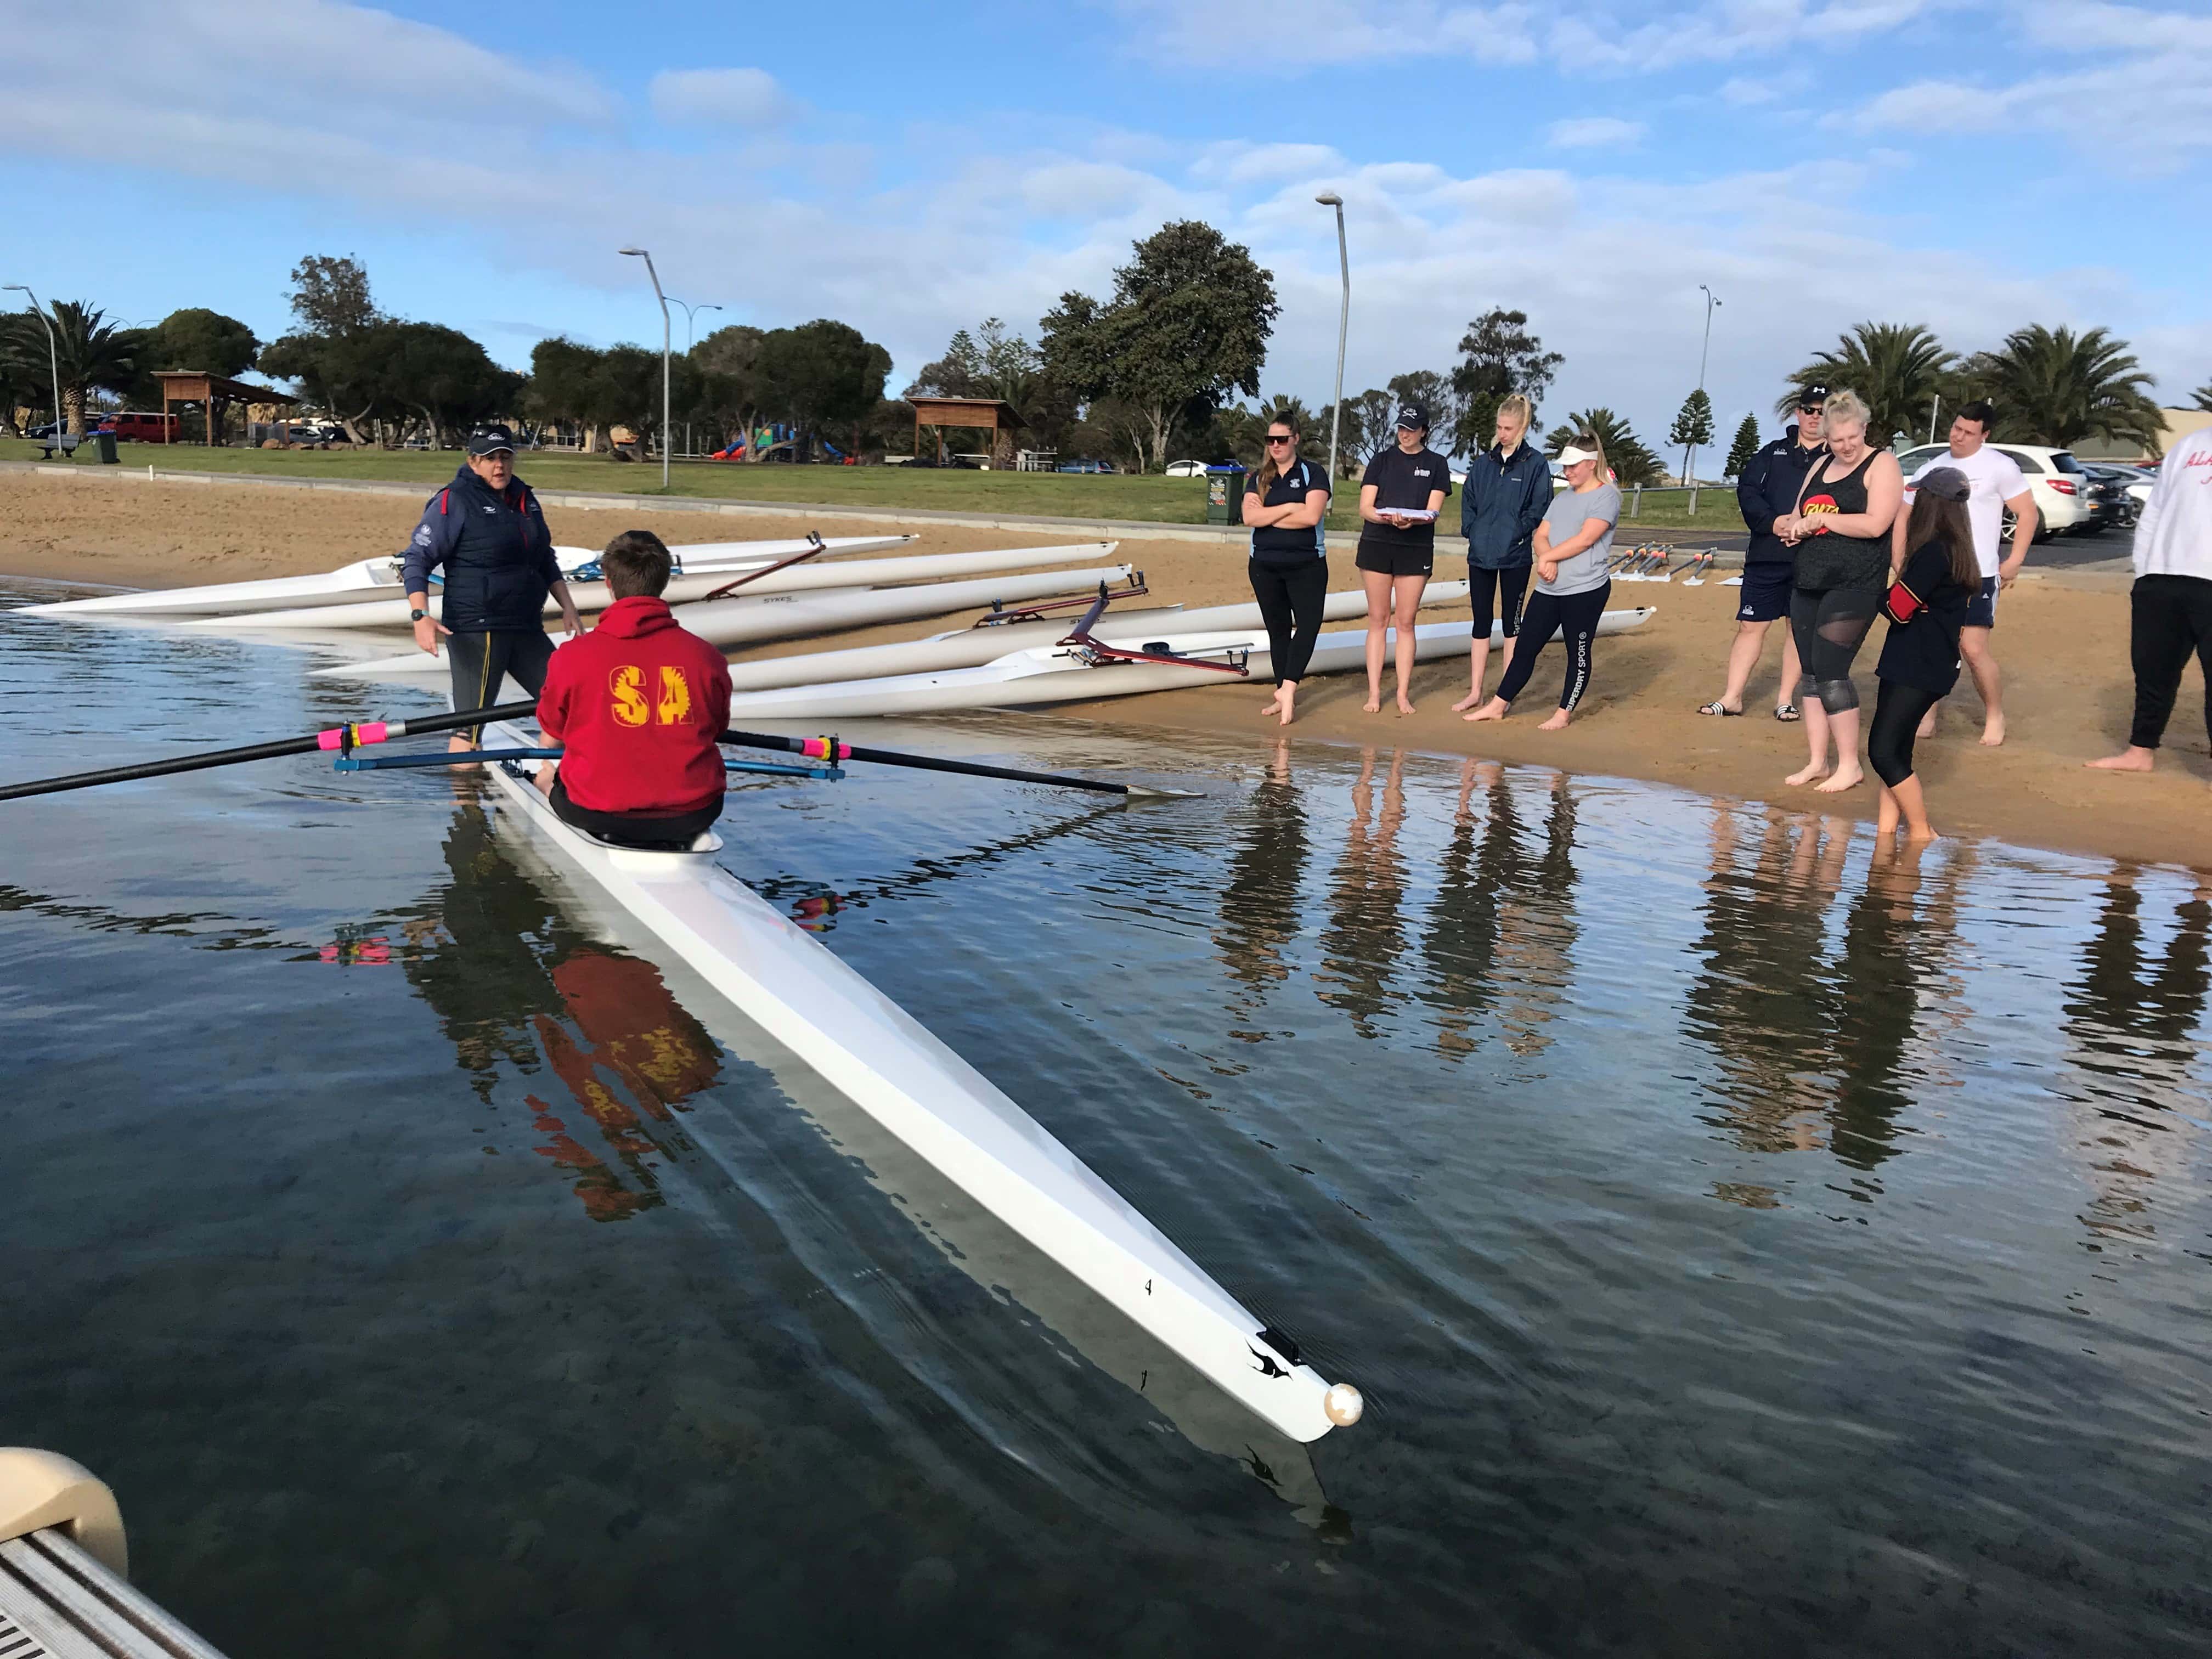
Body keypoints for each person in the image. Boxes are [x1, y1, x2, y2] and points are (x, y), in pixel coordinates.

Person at [532, 531, 733, 850]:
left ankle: (545, 786)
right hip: (693, 813)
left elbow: (552, 734)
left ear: (608, 583)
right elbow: (716, 728)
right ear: (663, 582)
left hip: (597, 812)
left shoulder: (570, 657)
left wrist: (551, 769)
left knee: (546, 772)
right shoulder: (708, 657)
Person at [402, 425, 584, 750]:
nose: (499, 466)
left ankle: (549, 772)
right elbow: (417, 560)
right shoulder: (455, 500)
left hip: (525, 626)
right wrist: (420, 616)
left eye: (505, 457)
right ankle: (464, 781)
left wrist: (568, 607)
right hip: (477, 628)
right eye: (489, 459)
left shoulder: (525, 499)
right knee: (469, 730)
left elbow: (544, 557)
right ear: (473, 462)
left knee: (569, 708)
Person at [1771, 389, 1903, 793]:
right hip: (1809, 578)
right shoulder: (1820, 465)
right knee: (1810, 673)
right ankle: (1818, 761)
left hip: (1856, 581)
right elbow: (1800, 513)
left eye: (1853, 437)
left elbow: (1877, 524)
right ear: (1825, 437)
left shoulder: (1883, 464)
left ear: (1864, 429)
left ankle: (1850, 764)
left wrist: (1822, 522)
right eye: (1837, 439)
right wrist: (1791, 528)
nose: (1846, 446)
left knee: (1831, 669)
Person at [1894, 401, 2036, 746]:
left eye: (1968, 432)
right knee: (1931, 645)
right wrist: (1900, 564)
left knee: (1972, 648)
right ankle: (1927, 716)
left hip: (1978, 573)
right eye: (1956, 428)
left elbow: (2027, 513)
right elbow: (1903, 516)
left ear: (1984, 435)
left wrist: (2015, 559)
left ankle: (1995, 714)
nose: (1958, 436)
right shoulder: (1932, 468)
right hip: (1933, 574)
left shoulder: (2000, 466)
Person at [1463, 432, 1620, 730]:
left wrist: (1548, 559)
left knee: (1578, 652)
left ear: (1592, 463)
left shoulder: (1607, 496)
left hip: (1585, 589)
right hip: (1549, 588)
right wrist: (1546, 558)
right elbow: (1541, 534)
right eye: (1566, 466)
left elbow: (1586, 539)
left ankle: (1563, 713)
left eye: (1573, 466)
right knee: (1525, 648)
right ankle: (1498, 705)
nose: (1567, 471)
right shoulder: (1563, 498)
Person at [2087, 422, 2212, 777]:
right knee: (2153, 673)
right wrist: (2144, 571)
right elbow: (2155, 510)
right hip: (2162, 577)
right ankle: (2140, 751)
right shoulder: (2190, 445)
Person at [1699, 383, 1826, 720]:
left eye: (1823, 411)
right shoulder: (1772, 453)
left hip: (1812, 557)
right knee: (1751, 625)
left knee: (1797, 628)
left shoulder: (1837, 459)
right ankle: (1732, 698)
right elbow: (1748, 492)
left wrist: (1806, 528)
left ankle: (1785, 700)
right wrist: (1774, 523)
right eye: (1809, 410)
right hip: (1767, 556)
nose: (1815, 417)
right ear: (1798, 413)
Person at [1867, 466, 1978, 843]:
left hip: (1915, 662)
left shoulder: (1934, 552)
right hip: (1928, 661)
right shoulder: (1956, 548)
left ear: (1930, 504)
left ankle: (1920, 830)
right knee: (1898, 750)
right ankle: (1886, 834)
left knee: (1883, 751)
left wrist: (1880, 596)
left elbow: (1897, 608)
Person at [1452, 393, 1551, 713]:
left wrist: (1517, 533)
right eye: (1499, 427)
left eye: (1509, 428)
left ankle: (1504, 697)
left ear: (1522, 428)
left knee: (1512, 624)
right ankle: (1476, 692)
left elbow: (1539, 507)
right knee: (1481, 623)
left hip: (1515, 557)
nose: (1502, 434)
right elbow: (1468, 500)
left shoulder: (1536, 464)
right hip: (1480, 554)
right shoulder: (1483, 464)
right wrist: (1472, 530)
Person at [1356, 405, 1452, 714]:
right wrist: (1386, 518)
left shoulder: (1437, 463)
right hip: (1377, 543)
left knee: (1406, 622)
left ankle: (1402, 693)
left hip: (1415, 547)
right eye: (1401, 428)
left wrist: (1414, 521)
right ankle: (1374, 693)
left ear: (1424, 431)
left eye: (1411, 429)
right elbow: (1366, 507)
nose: (1405, 434)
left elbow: (1433, 510)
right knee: (1378, 619)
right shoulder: (1381, 460)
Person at [1241, 414, 1332, 726]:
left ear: (1296, 439)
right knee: (1277, 631)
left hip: (1307, 564)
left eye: (1281, 439)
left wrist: (1269, 515)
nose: (1275, 445)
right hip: (1264, 565)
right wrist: (1291, 507)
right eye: (1271, 440)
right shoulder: (1259, 477)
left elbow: (1311, 517)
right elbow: (1250, 519)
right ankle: (1282, 692)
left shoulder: (1313, 473)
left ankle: (1289, 687)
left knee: (1309, 625)